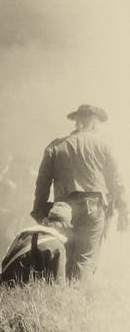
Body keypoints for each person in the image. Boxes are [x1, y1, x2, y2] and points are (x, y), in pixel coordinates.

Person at [32, 104, 128, 280]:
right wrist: (123, 211)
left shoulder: (56, 146)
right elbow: (117, 181)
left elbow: (42, 183)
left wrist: (39, 211)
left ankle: (59, 297)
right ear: (93, 123)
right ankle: (76, 300)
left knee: (64, 256)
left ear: (77, 121)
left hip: (63, 210)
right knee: (85, 260)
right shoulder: (105, 145)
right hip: (94, 208)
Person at [0, 201, 71, 286]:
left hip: (2, 285)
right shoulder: (57, 247)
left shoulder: (22, 235)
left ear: (46, 220)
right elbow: (57, 285)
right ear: (63, 226)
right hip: (24, 291)